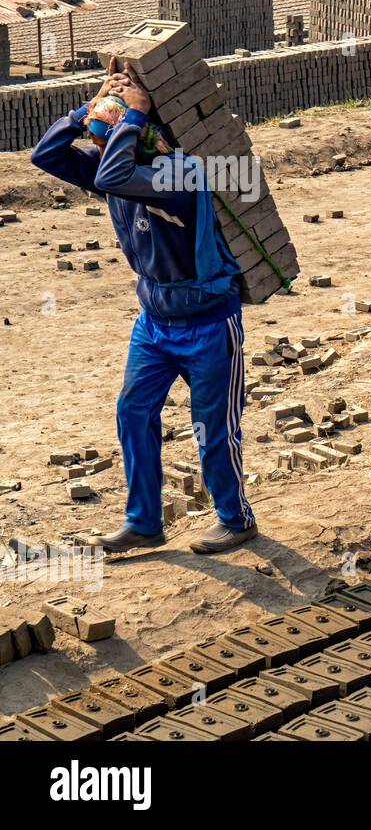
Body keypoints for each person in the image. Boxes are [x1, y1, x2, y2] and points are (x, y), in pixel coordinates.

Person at [30, 60, 257, 554]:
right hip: (154, 323)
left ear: (149, 136)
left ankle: (236, 519)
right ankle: (145, 522)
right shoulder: (118, 172)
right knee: (134, 411)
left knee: (213, 427)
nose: (101, 136)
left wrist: (131, 115)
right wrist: (89, 107)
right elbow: (45, 154)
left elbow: (113, 172)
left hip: (208, 324)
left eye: (113, 130)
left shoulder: (180, 176)